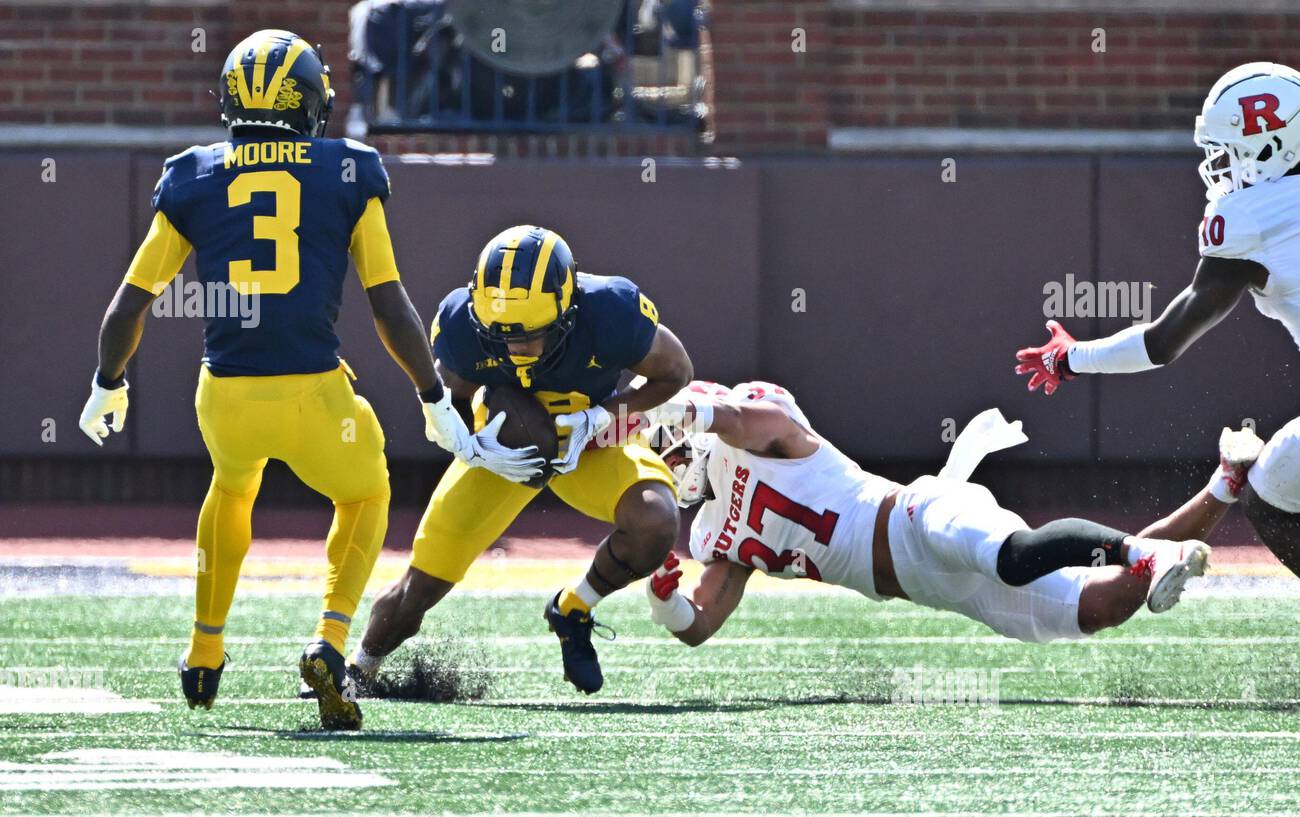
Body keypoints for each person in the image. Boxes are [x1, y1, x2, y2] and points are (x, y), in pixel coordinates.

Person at [76, 29, 537, 729]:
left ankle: (204, 653)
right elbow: (389, 302)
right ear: (310, 102)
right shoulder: (347, 171)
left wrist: (108, 382)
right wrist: (434, 397)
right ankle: (329, 639)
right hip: (315, 395)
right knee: (364, 491)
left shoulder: (195, 174)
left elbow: (129, 303)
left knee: (231, 487)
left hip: (223, 397)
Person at [637, 380, 1247, 647]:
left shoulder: (750, 423)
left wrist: (684, 411)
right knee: (1105, 606)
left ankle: (1144, 550)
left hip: (913, 515)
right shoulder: (710, 531)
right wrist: (665, 601)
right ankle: (1226, 482)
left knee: (1013, 559)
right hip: (924, 587)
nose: (665, 454)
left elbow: (754, 422)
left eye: (663, 438)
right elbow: (701, 624)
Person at [354, 225, 693, 694]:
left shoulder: (609, 309)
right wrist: (466, 442)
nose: (515, 349)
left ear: (568, 309)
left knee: (656, 522)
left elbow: (676, 371)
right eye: (500, 336)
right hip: (503, 452)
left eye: (531, 336)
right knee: (418, 590)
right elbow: (444, 401)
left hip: (588, 443)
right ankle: (357, 670)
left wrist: (602, 417)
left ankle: (574, 608)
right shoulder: (460, 324)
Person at [1015, 61, 1300, 577]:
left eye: (1229, 150)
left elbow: (1164, 342)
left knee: (1270, 494)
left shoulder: (1250, 216)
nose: (1220, 164)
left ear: (1271, 145)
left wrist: (1072, 358)